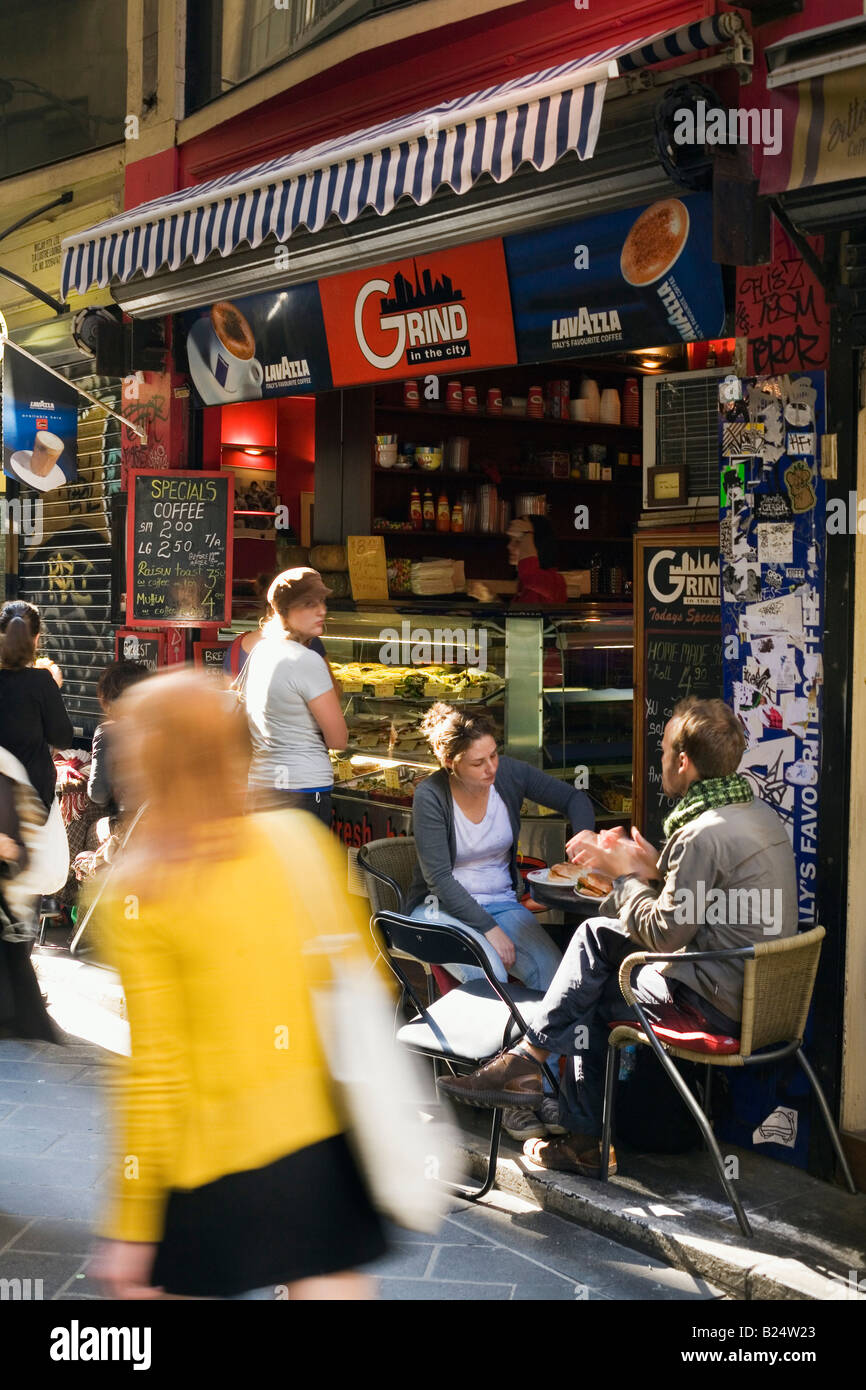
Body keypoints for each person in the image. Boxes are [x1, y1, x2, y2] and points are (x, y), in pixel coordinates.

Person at [90, 669, 387, 1300]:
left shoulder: (140, 890)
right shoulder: (297, 842)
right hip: (313, 1143)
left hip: (204, 1160)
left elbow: (157, 1068)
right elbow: (365, 975)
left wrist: (133, 1226)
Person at [437, 697, 798, 1176]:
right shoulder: (753, 812)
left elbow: (664, 935)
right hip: (763, 996)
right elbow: (707, 903)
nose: (660, 759)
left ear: (684, 762)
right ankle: (534, 1073)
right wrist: (652, 867)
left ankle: (557, 1104)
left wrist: (621, 877)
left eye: (665, 750)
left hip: (716, 1003)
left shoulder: (703, 834)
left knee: (592, 977)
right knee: (594, 953)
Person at [407, 701, 594, 1141]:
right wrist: (488, 930)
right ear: (450, 763)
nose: (491, 768)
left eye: (493, 755)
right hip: (441, 907)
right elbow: (437, 878)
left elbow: (574, 797)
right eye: (478, 762)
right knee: (491, 971)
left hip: (503, 901)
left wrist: (582, 833)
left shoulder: (508, 774)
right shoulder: (430, 796)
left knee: (554, 976)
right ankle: (513, 1101)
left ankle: (539, 1089)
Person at [243, 567, 346, 824]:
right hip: (304, 788)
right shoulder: (306, 660)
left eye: (322, 602)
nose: (321, 610)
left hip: (262, 784)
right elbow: (338, 739)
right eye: (309, 604)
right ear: (284, 611)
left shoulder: (261, 651)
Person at [0, 601, 74, 811]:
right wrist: (53, 690)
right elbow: (63, 738)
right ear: (37, 639)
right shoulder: (42, 681)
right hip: (33, 804)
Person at [469, 515, 567, 606]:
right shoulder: (523, 583)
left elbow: (530, 575)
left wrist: (528, 533)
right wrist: (490, 599)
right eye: (511, 540)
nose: (509, 546)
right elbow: (514, 620)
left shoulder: (555, 581)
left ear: (538, 545)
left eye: (518, 541)